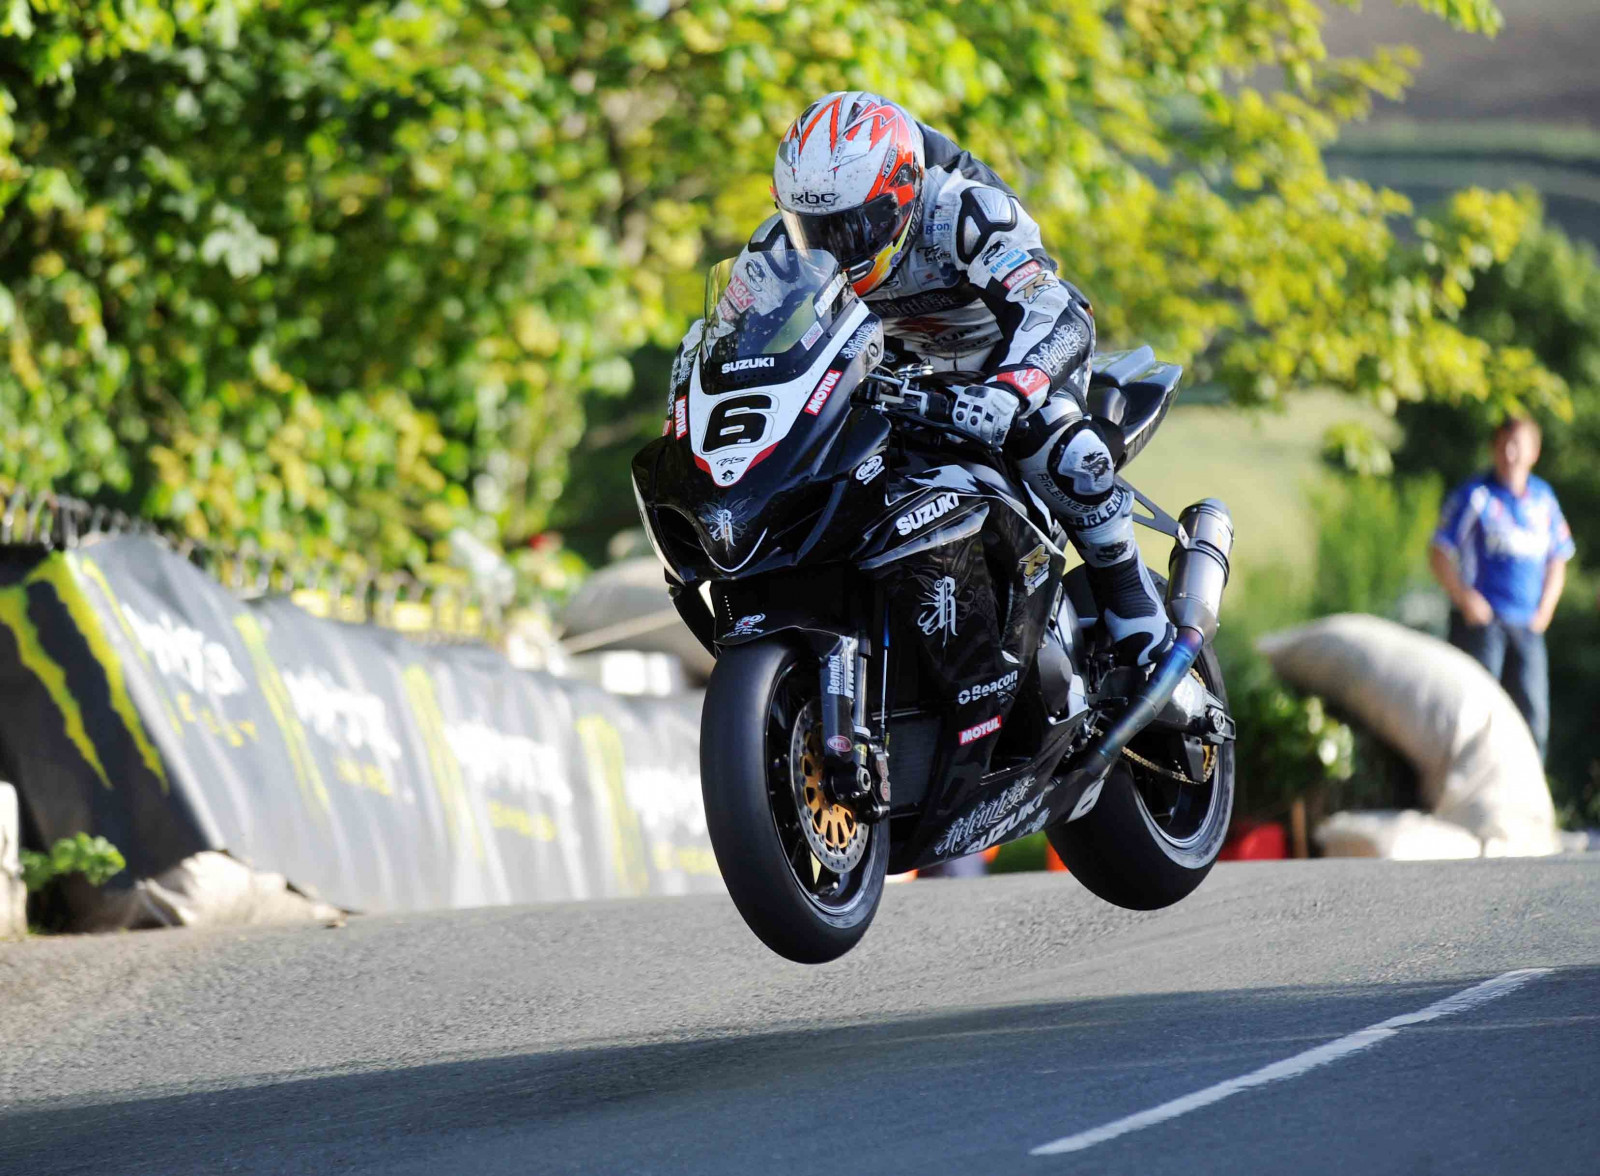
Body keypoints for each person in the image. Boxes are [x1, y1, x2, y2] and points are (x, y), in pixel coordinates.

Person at [676, 91, 1173, 667]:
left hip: (1007, 361)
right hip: (894, 375)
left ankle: (1132, 604)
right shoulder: (778, 246)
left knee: (1063, 447)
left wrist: (1011, 389)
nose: (836, 246)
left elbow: (1054, 311)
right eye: (816, 227)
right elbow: (728, 336)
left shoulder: (966, 214)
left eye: (856, 225)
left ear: (903, 194)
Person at [1429, 417, 1575, 759]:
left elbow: (1559, 557)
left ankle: (1528, 800)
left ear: (1534, 451)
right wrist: (1466, 599)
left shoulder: (1543, 500)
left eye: (1518, 445)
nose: (1510, 453)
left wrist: (1546, 609)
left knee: (1532, 717)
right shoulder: (1475, 495)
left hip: (1527, 626)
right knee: (1474, 714)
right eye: (1503, 445)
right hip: (1483, 625)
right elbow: (1439, 553)